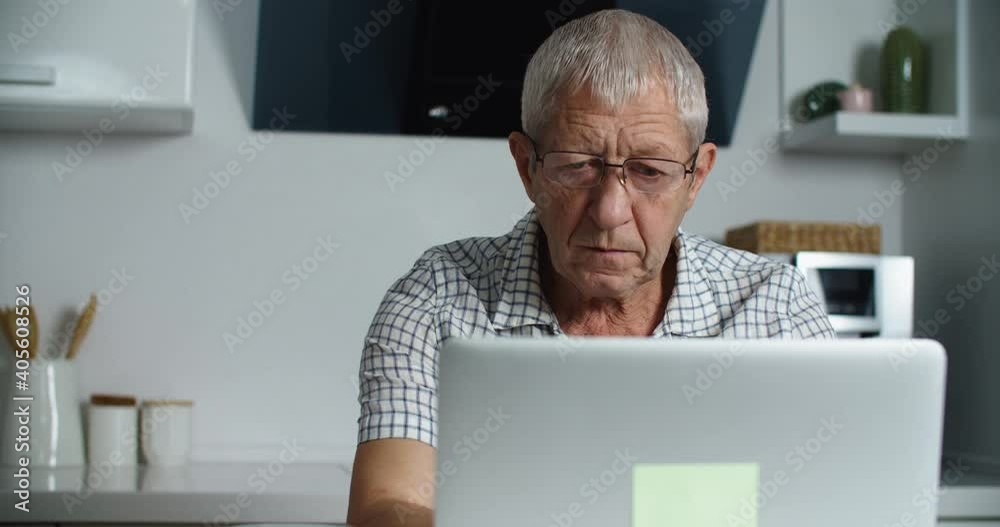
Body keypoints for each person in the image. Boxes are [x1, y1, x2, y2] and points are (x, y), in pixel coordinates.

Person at [346, 9, 835, 527]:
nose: (609, 211)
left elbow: (838, 500)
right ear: (526, 167)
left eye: (649, 171)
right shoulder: (436, 299)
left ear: (697, 177)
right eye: (577, 166)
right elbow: (388, 505)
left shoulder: (774, 309)